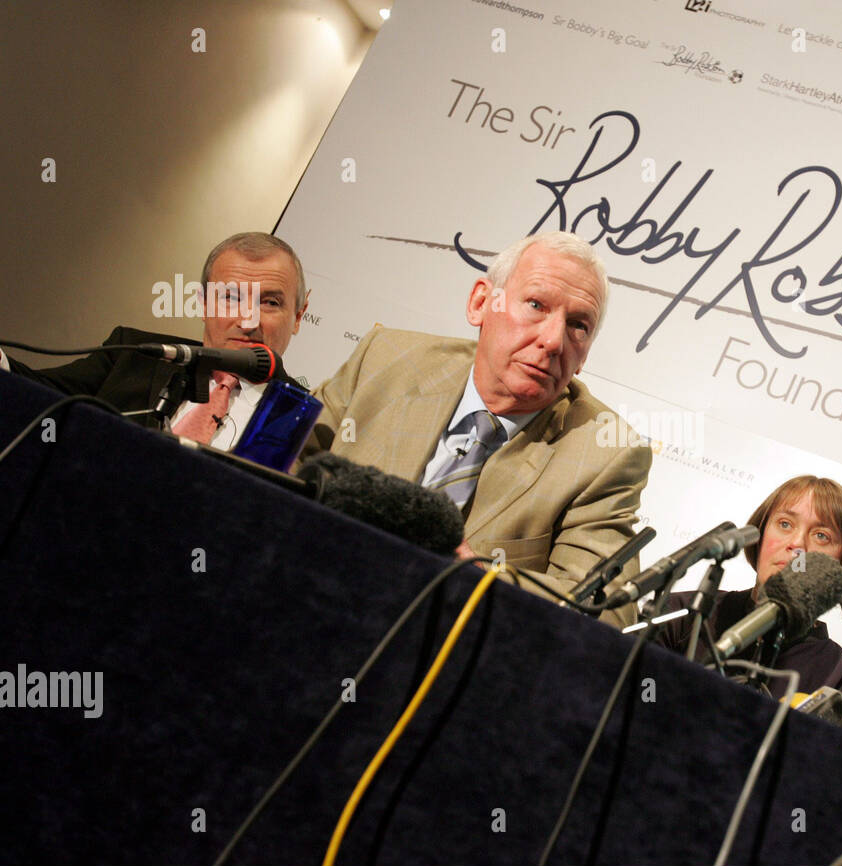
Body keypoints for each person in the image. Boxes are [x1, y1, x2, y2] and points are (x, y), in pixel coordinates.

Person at [300, 231, 652, 627]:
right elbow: (280, 466)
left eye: (578, 325)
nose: (553, 341)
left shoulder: (605, 453)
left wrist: (474, 577)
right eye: (536, 305)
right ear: (481, 302)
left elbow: (606, 612)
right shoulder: (386, 358)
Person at [1, 232, 308, 450]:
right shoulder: (133, 355)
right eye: (229, 297)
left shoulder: (305, 421)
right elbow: (35, 394)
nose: (247, 321)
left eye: (269, 303)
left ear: (297, 315)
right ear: (202, 303)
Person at [654, 475, 842, 699]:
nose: (797, 545)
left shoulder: (840, 681)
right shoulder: (683, 613)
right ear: (760, 533)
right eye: (785, 524)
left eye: (821, 536)